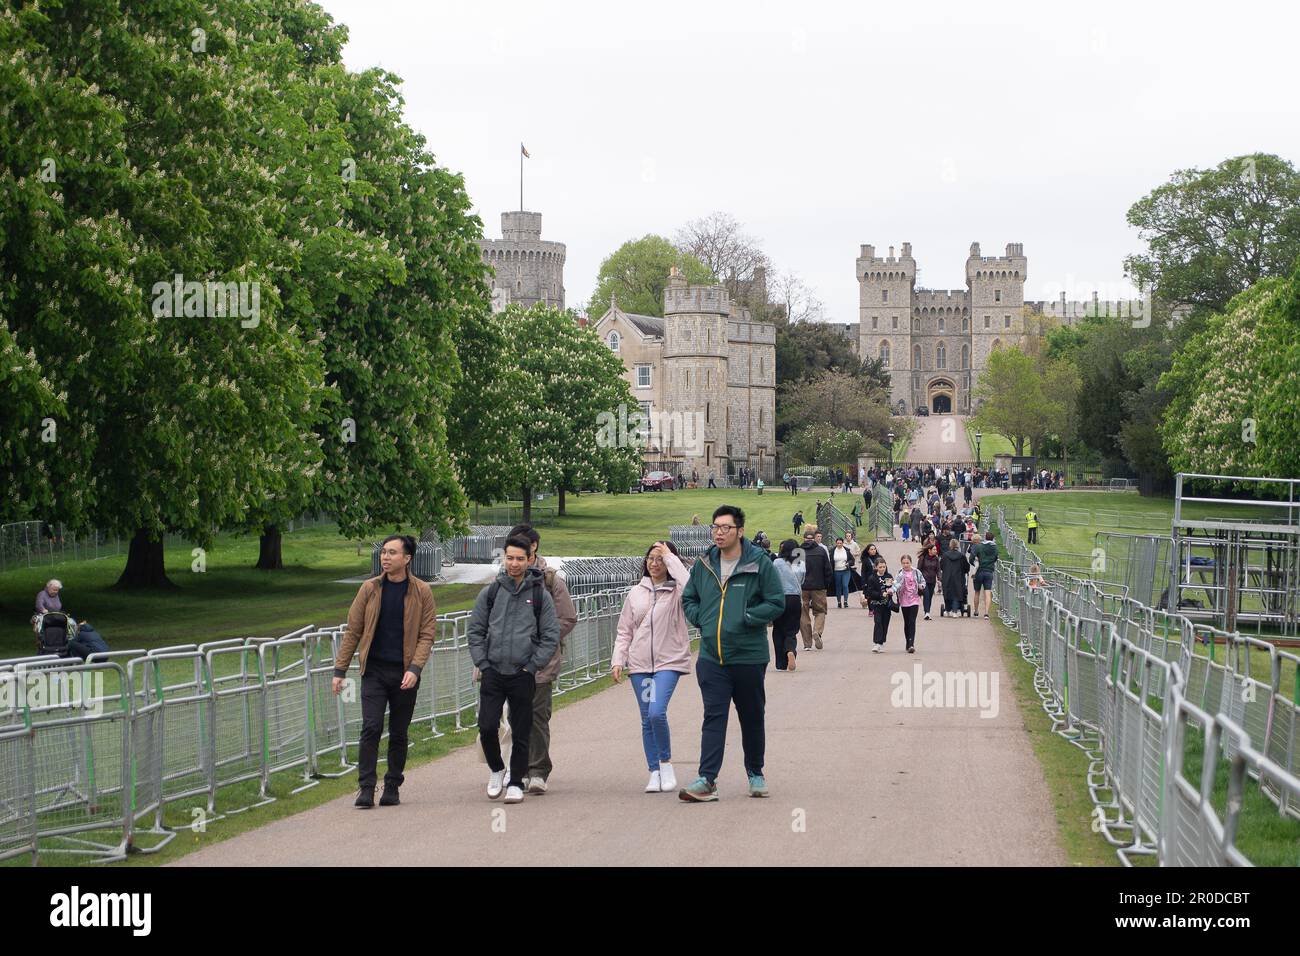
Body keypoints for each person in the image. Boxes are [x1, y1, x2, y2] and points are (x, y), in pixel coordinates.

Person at [679, 505, 786, 802]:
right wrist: (702, 618)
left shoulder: (759, 563)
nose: (719, 533)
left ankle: (755, 772)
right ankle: (707, 779)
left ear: (740, 531)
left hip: (748, 655)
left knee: (752, 716)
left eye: (725, 528)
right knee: (714, 716)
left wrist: (748, 617)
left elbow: (777, 601)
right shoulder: (704, 564)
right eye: (715, 527)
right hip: (713, 657)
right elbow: (689, 598)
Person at [334, 534, 437, 809]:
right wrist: (340, 670)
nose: (385, 557)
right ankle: (366, 788)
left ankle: (392, 785)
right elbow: (353, 630)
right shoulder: (369, 589)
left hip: (404, 673)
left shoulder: (421, 591)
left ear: (407, 558)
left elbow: (427, 635)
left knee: (399, 732)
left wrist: (415, 668)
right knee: (371, 727)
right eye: (383, 552)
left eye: (392, 553)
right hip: (375, 672)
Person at [467, 533, 561, 804]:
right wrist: (483, 662)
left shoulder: (539, 595)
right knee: (487, 726)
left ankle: (517, 781)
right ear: (504, 558)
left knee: (522, 729)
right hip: (493, 671)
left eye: (520, 559)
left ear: (530, 559)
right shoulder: (491, 592)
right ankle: (497, 769)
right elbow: (475, 630)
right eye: (510, 558)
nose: (514, 563)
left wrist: (532, 666)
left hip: (523, 672)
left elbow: (550, 635)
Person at [612, 541, 691, 793]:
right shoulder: (636, 592)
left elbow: (690, 585)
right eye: (651, 558)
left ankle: (666, 763)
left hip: (669, 661)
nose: (654, 563)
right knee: (647, 718)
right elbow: (624, 630)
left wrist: (670, 557)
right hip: (640, 664)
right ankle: (653, 771)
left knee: (657, 712)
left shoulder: (678, 590)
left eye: (660, 559)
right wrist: (618, 659)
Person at [507, 524, 577, 795]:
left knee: (537, 716)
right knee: (516, 717)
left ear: (533, 546)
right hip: (510, 663)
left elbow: (568, 618)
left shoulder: (551, 581)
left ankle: (538, 770)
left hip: (541, 663)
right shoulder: (503, 580)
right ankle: (519, 769)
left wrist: (542, 639)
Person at [771, 539, 804, 672]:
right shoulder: (799, 562)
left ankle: (780, 663)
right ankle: (790, 650)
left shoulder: (777, 562)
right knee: (791, 629)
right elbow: (802, 580)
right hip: (795, 597)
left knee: (778, 628)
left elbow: (772, 578)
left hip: (780, 596)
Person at [798, 527, 833, 649]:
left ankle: (807, 643)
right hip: (819, 586)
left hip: (802, 587)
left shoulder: (798, 552)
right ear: (814, 539)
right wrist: (826, 585)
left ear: (803, 538)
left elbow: (794, 571)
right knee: (820, 611)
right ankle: (817, 631)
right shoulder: (821, 551)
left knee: (803, 613)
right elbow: (828, 570)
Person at [891, 553, 925, 653]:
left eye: (907, 563)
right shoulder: (900, 573)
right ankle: (907, 641)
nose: (906, 565)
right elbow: (896, 584)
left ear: (911, 562)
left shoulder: (916, 572)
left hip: (914, 599)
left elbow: (923, 582)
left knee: (912, 621)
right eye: (904, 563)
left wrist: (921, 586)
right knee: (907, 622)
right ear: (901, 564)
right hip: (904, 600)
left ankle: (911, 643)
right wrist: (892, 590)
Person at [865, 559, 894, 652]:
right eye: (880, 567)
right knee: (878, 622)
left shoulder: (888, 576)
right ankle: (877, 643)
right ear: (876, 567)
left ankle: (881, 643)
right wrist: (880, 594)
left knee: (885, 623)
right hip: (876, 604)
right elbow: (870, 592)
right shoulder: (872, 578)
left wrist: (890, 591)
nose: (882, 569)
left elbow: (889, 588)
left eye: (884, 567)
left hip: (887, 605)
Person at [969, 531, 1000, 619]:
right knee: (987, 592)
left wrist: (974, 564)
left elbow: (971, 557)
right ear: (993, 538)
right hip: (989, 571)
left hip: (979, 571)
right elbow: (995, 558)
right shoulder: (995, 548)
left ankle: (976, 611)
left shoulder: (979, 546)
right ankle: (986, 613)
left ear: (985, 537)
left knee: (977, 592)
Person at [940, 538, 968, 617]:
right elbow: (966, 567)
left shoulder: (945, 555)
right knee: (957, 594)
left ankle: (948, 610)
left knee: (947, 593)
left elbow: (941, 566)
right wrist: (965, 571)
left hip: (947, 577)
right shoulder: (961, 556)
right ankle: (955, 611)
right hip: (959, 577)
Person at [918, 543, 941, 621]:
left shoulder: (936, 559)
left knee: (930, 596)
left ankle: (928, 611)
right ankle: (927, 613)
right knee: (926, 595)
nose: (936, 551)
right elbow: (918, 569)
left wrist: (939, 578)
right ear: (929, 550)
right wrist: (919, 580)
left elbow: (938, 569)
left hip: (932, 581)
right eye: (934, 549)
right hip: (924, 581)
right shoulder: (922, 558)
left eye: (936, 549)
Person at [831, 537, 852, 609]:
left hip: (846, 571)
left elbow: (852, 560)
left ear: (843, 543)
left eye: (840, 543)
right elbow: (830, 561)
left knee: (845, 585)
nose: (839, 544)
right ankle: (839, 602)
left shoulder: (846, 551)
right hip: (836, 571)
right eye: (838, 543)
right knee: (838, 587)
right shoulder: (832, 551)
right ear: (836, 543)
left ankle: (845, 601)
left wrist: (848, 563)